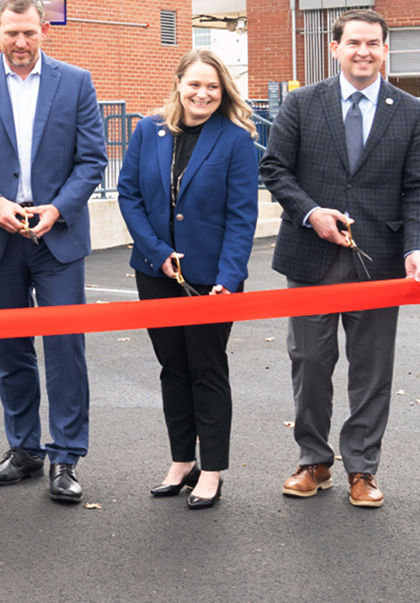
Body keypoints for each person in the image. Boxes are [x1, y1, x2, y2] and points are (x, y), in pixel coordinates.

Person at [260, 7, 420, 508]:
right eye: (354, 42)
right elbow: (275, 169)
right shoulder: (301, 104)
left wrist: (417, 247)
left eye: (374, 43)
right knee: (310, 363)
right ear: (335, 48)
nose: (364, 51)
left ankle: (362, 468)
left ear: (386, 50)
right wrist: (311, 212)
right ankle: (313, 460)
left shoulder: (410, 111)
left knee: (371, 370)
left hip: (381, 261)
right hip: (310, 256)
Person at [0, 0, 107, 504]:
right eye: (11, 32)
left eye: (29, 32)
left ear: (44, 30)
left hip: (56, 236)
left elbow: (91, 159)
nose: (20, 41)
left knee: (65, 348)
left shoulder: (76, 82)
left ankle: (65, 456)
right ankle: (23, 449)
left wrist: (57, 209)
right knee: (11, 349)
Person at [116, 50, 262, 510]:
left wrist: (229, 277)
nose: (203, 94)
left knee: (207, 370)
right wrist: (157, 254)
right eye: (195, 84)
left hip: (211, 280)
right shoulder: (148, 130)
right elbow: (129, 194)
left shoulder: (236, 140)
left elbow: (242, 217)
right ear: (178, 83)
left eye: (213, 87)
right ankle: (182, 461)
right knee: (172, 368)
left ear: (224, 92)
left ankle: (212, 468)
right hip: (156, 273)